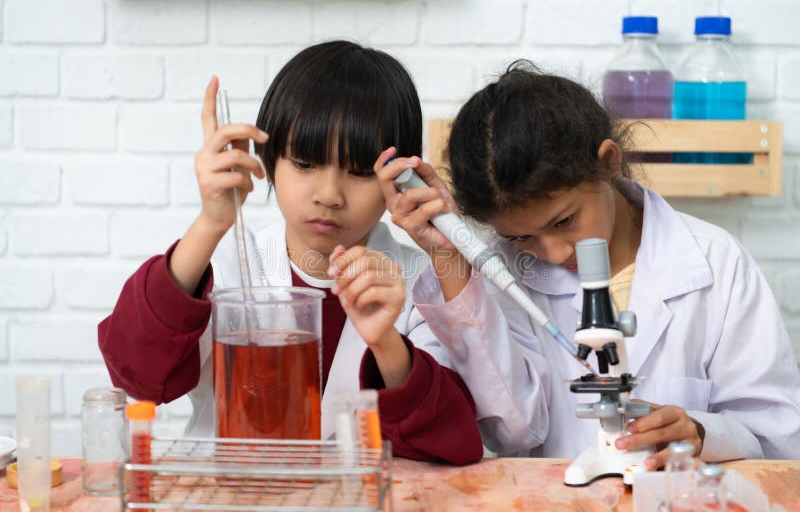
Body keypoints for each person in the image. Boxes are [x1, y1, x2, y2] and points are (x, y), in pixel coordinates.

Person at [377, 61, 800, 469]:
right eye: (521, 236)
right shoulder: (503, 272)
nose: (556, 252)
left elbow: (777, 437)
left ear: (609, 161)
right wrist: (448, 257)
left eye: (564, 220)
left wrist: (702, 434)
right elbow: (511, 432)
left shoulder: (717, 264)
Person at [99, 40, 483, 465]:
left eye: (358, 172)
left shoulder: (418, 284)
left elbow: (457, 442)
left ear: (400, 177)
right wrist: (210, 223)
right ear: (269, 158)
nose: (328, 195)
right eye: (304, 163)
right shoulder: (225, 266)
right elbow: (139, 376)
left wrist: (388, 343)